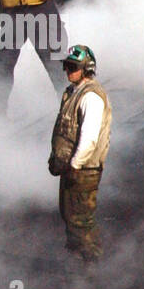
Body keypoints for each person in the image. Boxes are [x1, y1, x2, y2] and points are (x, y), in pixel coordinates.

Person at [49, 44, 111, 261]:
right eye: (66, 66)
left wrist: (75, 165)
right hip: (72, 167)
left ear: (87, 69)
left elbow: (89, 138)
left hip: (83, 170)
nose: (68, 71)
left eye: (73, 67)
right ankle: (78, 257)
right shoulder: (72, 92)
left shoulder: (90, 97)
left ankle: (91, 264)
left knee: (81, 220)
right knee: (69, 214)